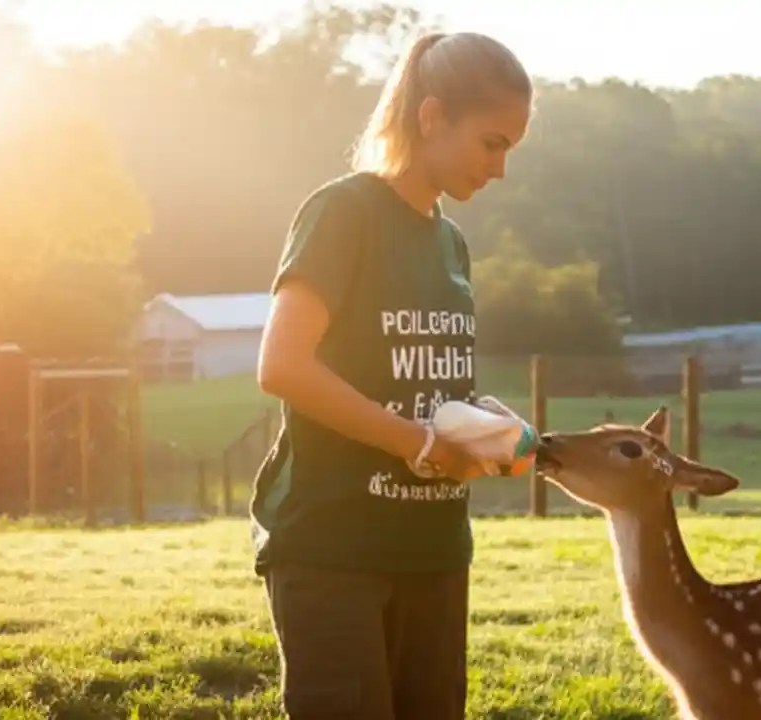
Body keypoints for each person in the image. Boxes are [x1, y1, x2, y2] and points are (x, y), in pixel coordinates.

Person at [249, 31, 533, 720]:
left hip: (434, 550)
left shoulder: (450, 241)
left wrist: (484, 423)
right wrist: (416, 442)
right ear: (432, 116)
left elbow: (420, 380)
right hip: (332, 550)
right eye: (491, 143)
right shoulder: (342, 213)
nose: (499, 170)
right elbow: (282, 365)